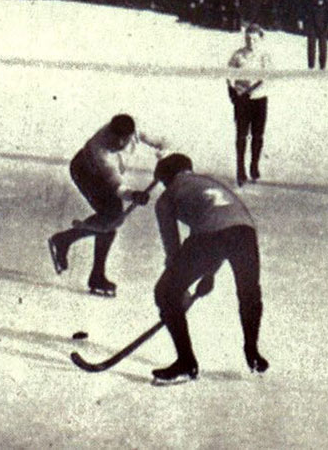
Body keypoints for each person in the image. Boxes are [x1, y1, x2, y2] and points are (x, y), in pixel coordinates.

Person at [150, 153, 267, 383]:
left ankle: (185, 361)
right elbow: (220, 221)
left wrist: (176, 290)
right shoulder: (210, 182)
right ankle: (252, 351)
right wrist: (208, 272)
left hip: (211, 235)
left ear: (166, 179)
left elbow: (174, 248)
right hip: (245, 232)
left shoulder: (167, 196)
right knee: (249, 292)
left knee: (165, 292)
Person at [47, 114, 168, 297]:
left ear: (132, 134)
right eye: (115, 136)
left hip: (104, 175)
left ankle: (68, 243)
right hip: (86, 172)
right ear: (110, 132)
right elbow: (118, 187)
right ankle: (88, 265)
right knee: (111, 218)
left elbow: (164, 143)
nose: (119, 142)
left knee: (111, 220)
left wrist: (163, 158)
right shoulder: (101, 151)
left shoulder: (136, 129)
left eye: (124, 138)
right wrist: (133, 195)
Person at [227, 23, 271, 185]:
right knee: (241, 134)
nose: (250, 42)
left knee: (258, 135)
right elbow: (229, 73)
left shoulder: (264, 55)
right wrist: (231, 90)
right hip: (241, 100)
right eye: (248, 38)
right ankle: (240, 168)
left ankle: (254, 165)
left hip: (259, 98)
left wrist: (250, 92)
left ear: (260, 39)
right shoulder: (239, 54)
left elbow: (265, 77)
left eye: (254, 39)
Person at [299, 0, 328, 70]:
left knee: (322, 46)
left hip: (322, 24)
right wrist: (300, 20)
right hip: (311, 24)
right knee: (311, 45)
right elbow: (302, 9)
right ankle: (311, 66)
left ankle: (322, 66)